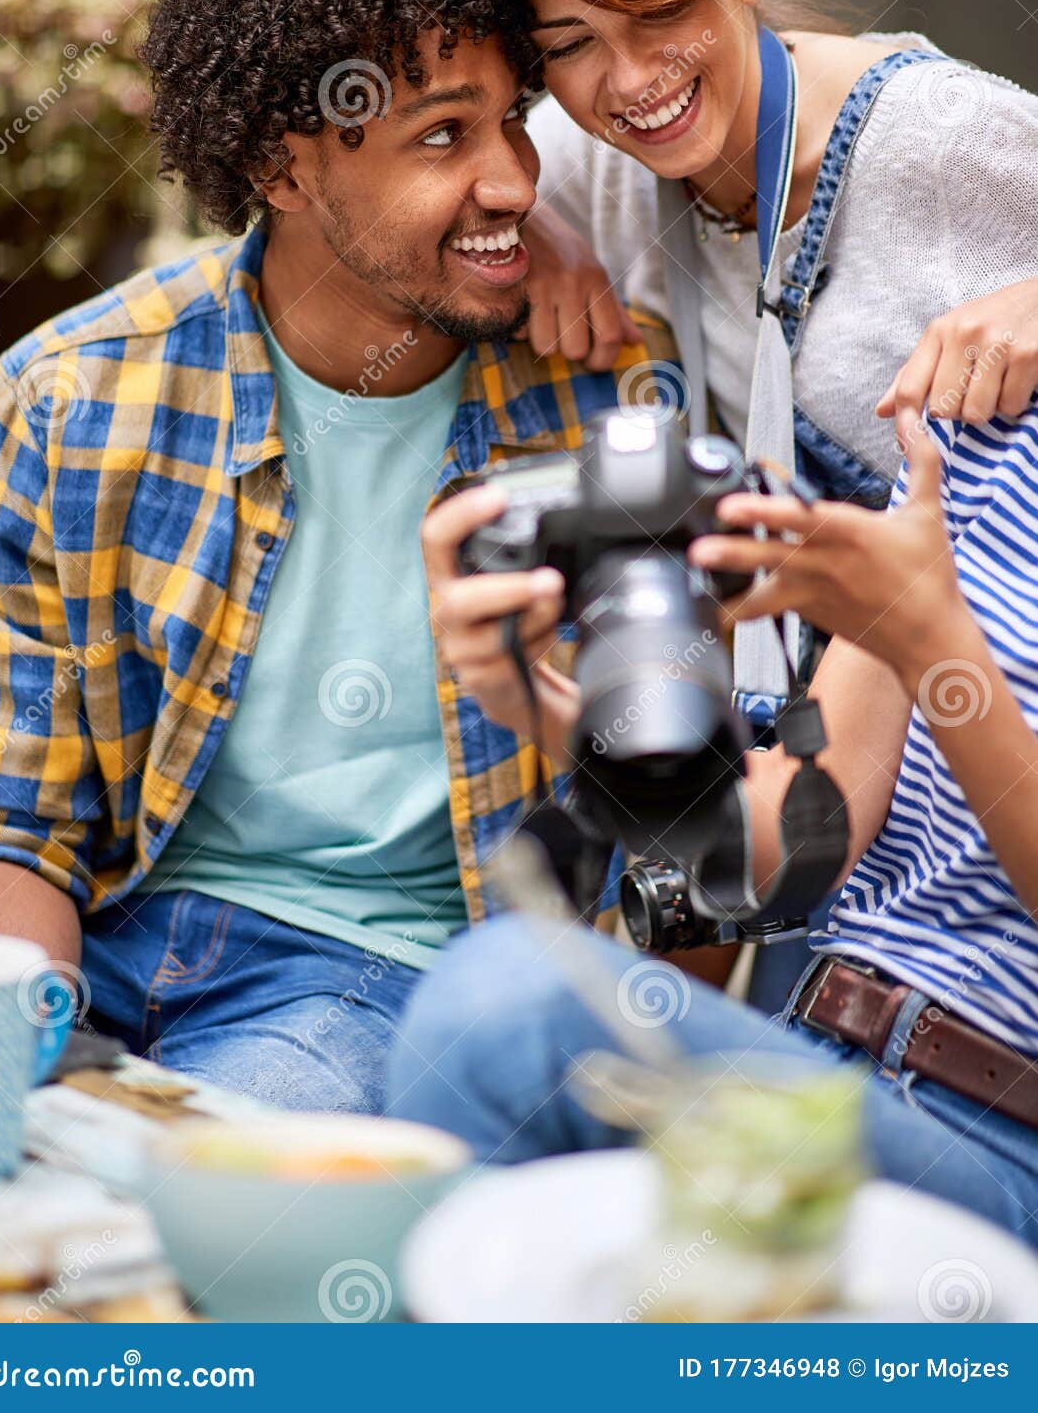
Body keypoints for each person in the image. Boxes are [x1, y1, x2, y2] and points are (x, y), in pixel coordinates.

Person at [0, 0, 678, 1113]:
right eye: (442, 135)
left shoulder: (602, 408)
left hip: (367, 981)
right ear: (281, 167)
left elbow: (677, 834)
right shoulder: (74, 397)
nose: (512, 181)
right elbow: (15, 820)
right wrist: (17, 1063)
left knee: (210, 1187)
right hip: (99, 939)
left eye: (511, 122)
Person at [448, 0, 1038, 701]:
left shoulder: (939, 138)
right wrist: (516, 225)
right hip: (818, 729)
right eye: (572, 43)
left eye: (659, 8)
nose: (630, 81)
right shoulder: (577, 163)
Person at [387, 401, 1038, 1242]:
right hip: (811, 1065)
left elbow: (924, 637)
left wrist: (931, 642)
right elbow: (798, 839)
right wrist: (545, 706)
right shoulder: (983, 436)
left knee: (506, 1001)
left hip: (1002, 1146)